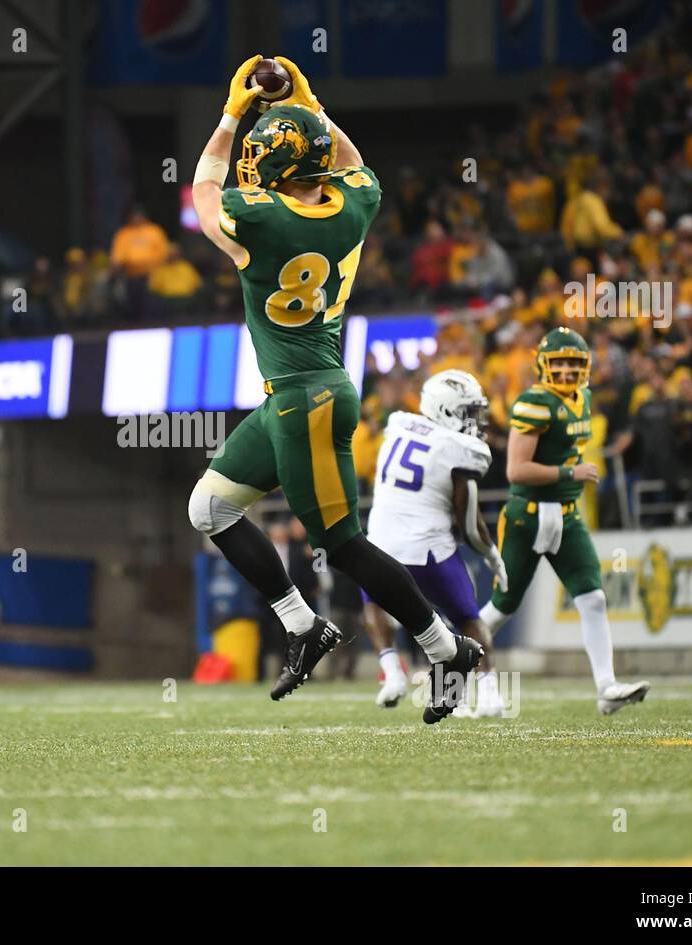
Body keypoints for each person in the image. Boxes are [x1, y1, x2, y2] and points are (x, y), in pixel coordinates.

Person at [187, 55, 482, 722]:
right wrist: (311, 102)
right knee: (209, 510)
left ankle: (445, 647)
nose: (252, 164)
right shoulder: (355, 202)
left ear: (279, 170)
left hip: (305, 398)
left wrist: (233, 114)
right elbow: (352, 163)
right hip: (298, 392)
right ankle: (301, 624)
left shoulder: (260, 218)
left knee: (343, 546)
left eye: (264, 156)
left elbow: (203, 194)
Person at [478, 328, 650, 715]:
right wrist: (570, 475)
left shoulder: (584, 398)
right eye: (560, 363)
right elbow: (516, 470)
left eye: (574, 363)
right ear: (544, 365)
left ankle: (607, 688)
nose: (568, 371)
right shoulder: (534, 403)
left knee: (593, 598)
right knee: (502, 608)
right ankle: (447, 669)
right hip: (529, 518)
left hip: (568, 517)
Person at [364, 370, 508, 717]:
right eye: (468, 412)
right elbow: (470, 524)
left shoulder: (398, 424)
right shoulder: (460, 449)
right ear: (445, 410)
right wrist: (493, 557)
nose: (475, 420)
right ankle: (487, 693)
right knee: (467, 618)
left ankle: (393, 672)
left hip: (380, 542)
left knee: (375, 601)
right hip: (427, 549)